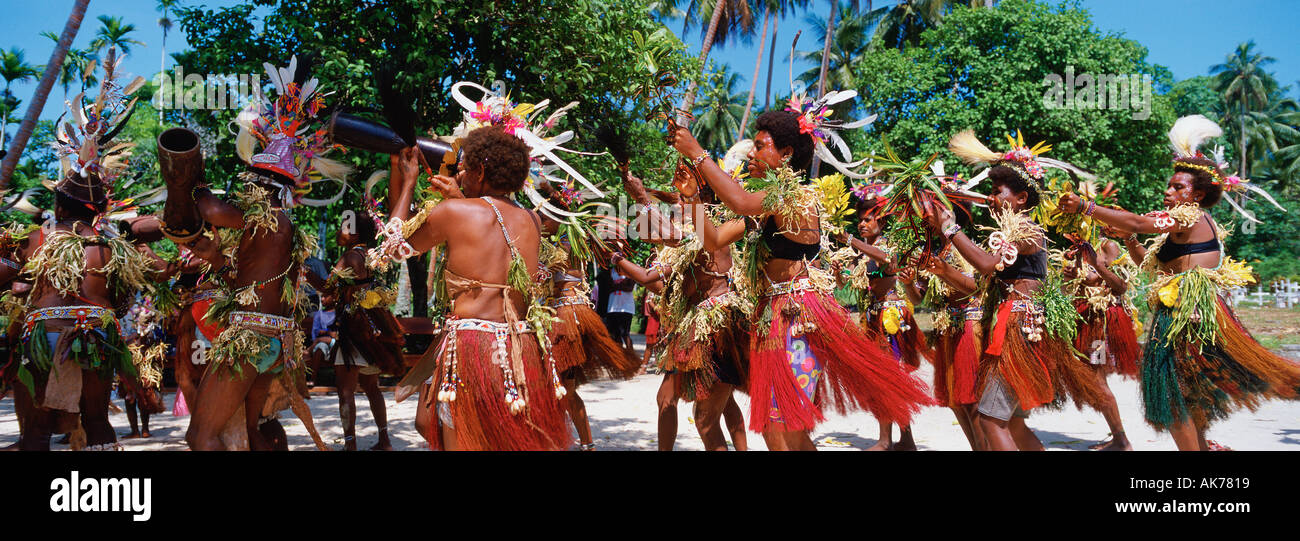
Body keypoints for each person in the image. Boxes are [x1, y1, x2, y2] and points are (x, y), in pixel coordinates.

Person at [669, 102, 931, 451]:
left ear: (787, 153)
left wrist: (698, 152)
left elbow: (741, 203)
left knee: (786, 424)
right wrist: (692, 202)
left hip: (797, 318)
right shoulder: (767, 206)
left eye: (760, 146)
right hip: (770, 318)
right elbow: (714, 239)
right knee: (775, 427)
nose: (751, 152)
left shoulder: (794, 196)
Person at [1057, 115, 1300, 451]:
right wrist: (1128, 240)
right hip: (1181, 314)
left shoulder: (1191, 216)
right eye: (1168, 187)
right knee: (1186, 394)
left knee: (1174, 397)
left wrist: (1088, 207)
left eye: (1177, 187)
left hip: (1189, 315)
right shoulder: (1180, 227)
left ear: (1197, 194)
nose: (1168, 192)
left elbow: (1139, 221)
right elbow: (1150, 264)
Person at [161, 57, 332, 451]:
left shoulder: (268, 216)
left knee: (201, 436)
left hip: (251, 337)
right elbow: (248, 279)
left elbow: (212, 211)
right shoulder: (273, 228)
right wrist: (214, 258)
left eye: (251, 183)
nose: (245, 189)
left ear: (262, 184)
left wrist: (194, 181)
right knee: (248, 432)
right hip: (266, 339)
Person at [385, 122, 570, 451]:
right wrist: (458, 199)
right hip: (520, 346)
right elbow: (492, 231)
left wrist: (407, 180)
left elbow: (393, 248)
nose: (461, 175)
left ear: (481, 171)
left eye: (466, 168)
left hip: (472, 346)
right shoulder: (531, 220)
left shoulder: (454, 212)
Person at [923, 129, 1109, 451]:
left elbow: (984, 265)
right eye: (990, 191)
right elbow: (978, 283)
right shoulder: (1010, 234)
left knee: (991, 420)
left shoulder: (1027, 230)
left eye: (997, 191)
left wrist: (950, 228)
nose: (991, 198)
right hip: (1012, 328)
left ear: (1021, 198)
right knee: (1005, 421)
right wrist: (946, 270)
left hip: (1019, 329)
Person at [612, 170, 749, 451]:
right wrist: (639, 199)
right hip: (698, 329)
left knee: (705, 419)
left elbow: (652, 275)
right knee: (703, 409)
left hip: (713, 330)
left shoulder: (704, 233)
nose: (675, 214)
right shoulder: (699, 233)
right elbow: (664, 284)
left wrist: (617, 258)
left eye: (680, 208)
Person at [833, 194, 934, 451]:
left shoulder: (888, 244)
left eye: (869, 219)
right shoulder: (860, 252)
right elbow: (846, 284)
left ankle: (886, 441)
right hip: (872, 319)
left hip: (891, 318)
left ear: (881, 222)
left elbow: (886, 260)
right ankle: (905, 439)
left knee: (888, 379)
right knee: (886, 380)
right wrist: (837, 272)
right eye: (860, 220)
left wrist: (851, 240)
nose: (863, 223)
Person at [1063, 239, 1139, 451]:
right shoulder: (1079, 247)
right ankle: (1118, 437)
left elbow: (1120, 286)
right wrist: (1070, 276)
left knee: (1098, 381)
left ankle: (1122, 442)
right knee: (1095, 380)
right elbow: (1071, 287)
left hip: (1098, 327)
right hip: (1083, 322)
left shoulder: (1109, 246)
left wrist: (1096, 266)